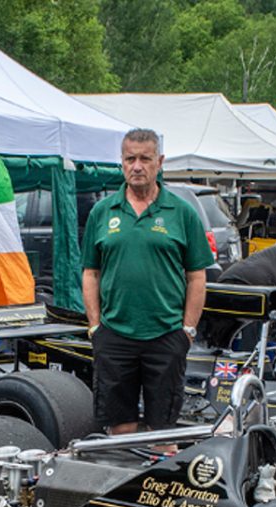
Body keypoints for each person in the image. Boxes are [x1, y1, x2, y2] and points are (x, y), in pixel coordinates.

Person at [82, 128, 214, 435]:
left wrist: (188, 331)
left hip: (166, 335)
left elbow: (197, 276)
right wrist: (95, 327)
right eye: (130, 159)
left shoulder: (182, 213)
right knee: (120, 431)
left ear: (160, 162)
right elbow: (91, 273)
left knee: (162, 433)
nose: (137, 166)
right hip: (114, 336)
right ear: (122, 162)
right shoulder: (103, 212)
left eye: (145, 158)